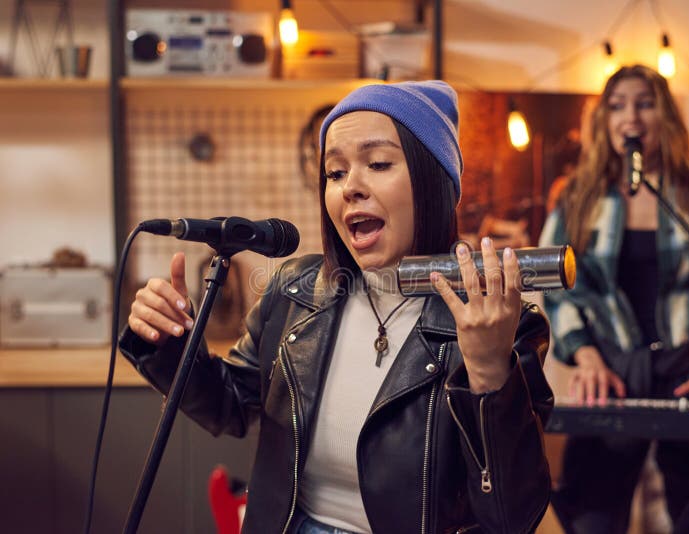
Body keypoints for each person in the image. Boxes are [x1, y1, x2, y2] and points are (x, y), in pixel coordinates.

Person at [120, 80, 554, 534]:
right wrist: (171, 345)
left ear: (433, 181)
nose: (350, 188)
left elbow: (511, 517)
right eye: (335, 172)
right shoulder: (294, 290)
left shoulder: (507, 324)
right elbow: (230, 404)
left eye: (378, 163)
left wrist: (488, 373)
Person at [538, 64, 689, 534]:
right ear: (603, 121)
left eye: (645, 104)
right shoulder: (578, 195)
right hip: (611, 375)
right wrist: (585, 355)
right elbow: (556, 292)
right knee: (590, 520)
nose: (631, 117)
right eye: (617, 106)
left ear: (666, 117)